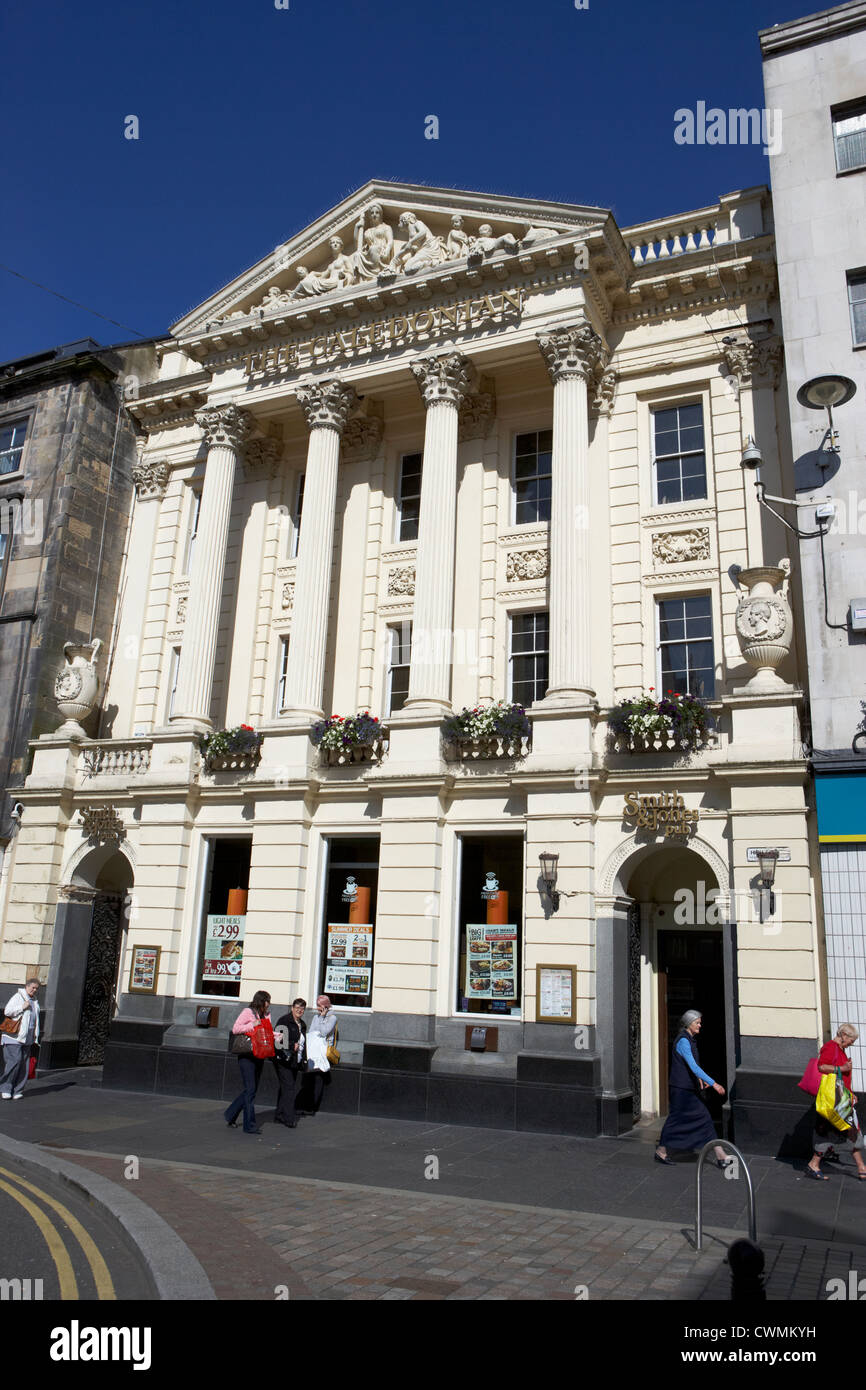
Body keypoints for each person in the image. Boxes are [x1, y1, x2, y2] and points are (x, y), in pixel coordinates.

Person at [654, 1010, 732, 1169]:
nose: (700, 1025)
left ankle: (720, 1154)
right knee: (676, 1119)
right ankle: (662, 1150)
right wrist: (713, 1083)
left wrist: (700, 1081)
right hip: (681, 1090)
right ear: (689, 1023)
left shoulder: (690, 1040)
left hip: (687, 1088)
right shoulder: (683, 1041)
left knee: (703, 1118)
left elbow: (691, 1068)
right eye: (697, 1022)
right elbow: (693, 1067)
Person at [806, 1023, 866, 1181]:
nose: (852, 1043)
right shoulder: (830, 1047)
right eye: (851, 1040)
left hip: (841, 1099)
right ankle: (814, 1164)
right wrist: (842, 1068)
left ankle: (861, 1167)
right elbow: (821, 1067)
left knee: (851, 1130)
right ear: (844, 1035)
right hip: (833, 1102)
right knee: (834, 1133)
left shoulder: (840, 1049)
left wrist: (850, 1093)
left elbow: (841, 1079)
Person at [224, 990, 272, 1135]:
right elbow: (236, 1028)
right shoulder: (248, 1012)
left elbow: (267, 1032)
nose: (269, 1004)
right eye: (267, 1001)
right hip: (246, 1055)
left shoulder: (266, 1015)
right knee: (250, 1090)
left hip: (259, 1054)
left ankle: (230, 1114)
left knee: (251, 1090)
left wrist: (277, 1036)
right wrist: (253, 1024)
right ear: (261, 1001)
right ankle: (249, 1125)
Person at [296, 994, 337, 1116]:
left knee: (318, 1079)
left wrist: (323, 1017)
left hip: (323, 1052)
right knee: (309, 1079)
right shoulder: (315, 1017)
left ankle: (312, 1107)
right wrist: (320, 1018)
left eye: (319, 1006)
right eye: (317, 1005)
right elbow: (312, 1032)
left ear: (325, 1006)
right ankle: (305, 1105)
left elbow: (324, 1032)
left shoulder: (333, 1018)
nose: (318, 1008)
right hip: (313, 1051)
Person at [1, 978, 41, 1099]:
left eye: (36, 989)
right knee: (14, 1061)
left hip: (27, 1037)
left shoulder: (34, 1001)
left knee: (24, 1064)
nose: (34, 990)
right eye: (32, 987)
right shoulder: (18, 997)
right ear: (27, 986)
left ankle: (18, 1090)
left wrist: (35, 1034)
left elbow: (35, 1020)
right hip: (14, 1036)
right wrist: (22, 1007)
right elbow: (7, 1011)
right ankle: (6, 1088)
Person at [273, 997, 307, 1128]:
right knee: (289, 1089)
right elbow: (277, 1040)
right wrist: (292, 1045)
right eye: (297, 1008)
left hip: (294, 1061)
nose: (299, 1010)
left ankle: (279, 1115)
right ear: (292, 1008)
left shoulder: (302, 1024)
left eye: (302, 1008)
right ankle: (288, 1118)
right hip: (283, 1060)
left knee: (286, 1088)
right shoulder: (284, 1021)